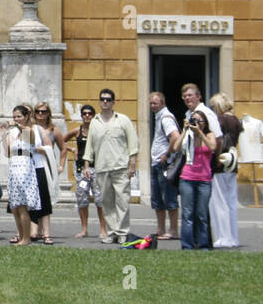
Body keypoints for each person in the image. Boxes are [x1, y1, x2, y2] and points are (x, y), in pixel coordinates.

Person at [82, 88, 138, 244]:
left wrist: (132, 164)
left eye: (108, 99)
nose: (105, 102)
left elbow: (133, 142)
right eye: (102, 99)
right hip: (102, 167)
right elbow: (90, 145)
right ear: (99, 102)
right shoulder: (94, 121)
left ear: (113, 102)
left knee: (122, 201)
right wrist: (87, 165)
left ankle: (123, 232)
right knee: (106, 202)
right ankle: (112, 232)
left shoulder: (123, 120)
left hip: (120, 167)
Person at [169, 109, 217, 250]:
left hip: (204, 179)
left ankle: (203, 244)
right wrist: (185, 130)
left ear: (204, 122)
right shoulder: (188, 135)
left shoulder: (208, 135)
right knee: (187, 214)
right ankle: (187, 245)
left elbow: (213, 147)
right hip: (187, 178)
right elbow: (176, 147)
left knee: (202, 214)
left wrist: (199, 133)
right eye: (193, 119)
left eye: (198, 120)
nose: (195, 122)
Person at [69, 104, 111, 241]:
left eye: (89, 114)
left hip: (96, 167)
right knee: (82, 198)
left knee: (99, 199)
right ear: (81, 116)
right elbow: (61, 140)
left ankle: (103, 229)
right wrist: (73, 150)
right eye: (84, 114)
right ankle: (84, 229)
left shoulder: (98, 130)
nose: (87, 116)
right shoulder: (77, 130)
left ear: (93, 115)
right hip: (81, 169)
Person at [4, 105, 43, 244]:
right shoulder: (13, 132)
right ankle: (21, 235)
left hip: (25, 166)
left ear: (26, 116)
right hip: (14, 166)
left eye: (19, 116)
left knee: (23, 205)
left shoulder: (29, 130)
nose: (16, 119)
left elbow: (29, 137)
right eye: (14, 117)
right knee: (15, 206)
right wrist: (3, 136)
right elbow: (7, 152)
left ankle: (26, 237)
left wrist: (17, 125)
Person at [208, 92, 242, 248]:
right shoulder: (236, 120)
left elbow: (218, 140)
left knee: (219, 202)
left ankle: (223, 237)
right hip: (232, 162)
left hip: (220, 163)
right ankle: (233, 237)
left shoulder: (219, 120)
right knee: (231, 202)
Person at [147, 91, 180, 241]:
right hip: (156, 163)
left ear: (163, 103)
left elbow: (175, 136)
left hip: (164, 164)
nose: (153, 106)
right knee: (157, 199)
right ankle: (160, 229)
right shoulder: (158, 116)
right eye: (151, 103)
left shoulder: (166, 118)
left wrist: (167, 154)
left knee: (169, 198)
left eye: (155, 103)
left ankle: (173, 230)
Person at [28, 101, 60, 243]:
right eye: (38, 112)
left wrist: (39, 149)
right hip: (30, 167)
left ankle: (45, 232)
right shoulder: (26, 129)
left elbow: (53, 147)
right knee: (32, 199)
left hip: (43, 166)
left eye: (43, 111)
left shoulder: (46, 129)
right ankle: (34, 230)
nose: (40, 114)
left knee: (44, 199)